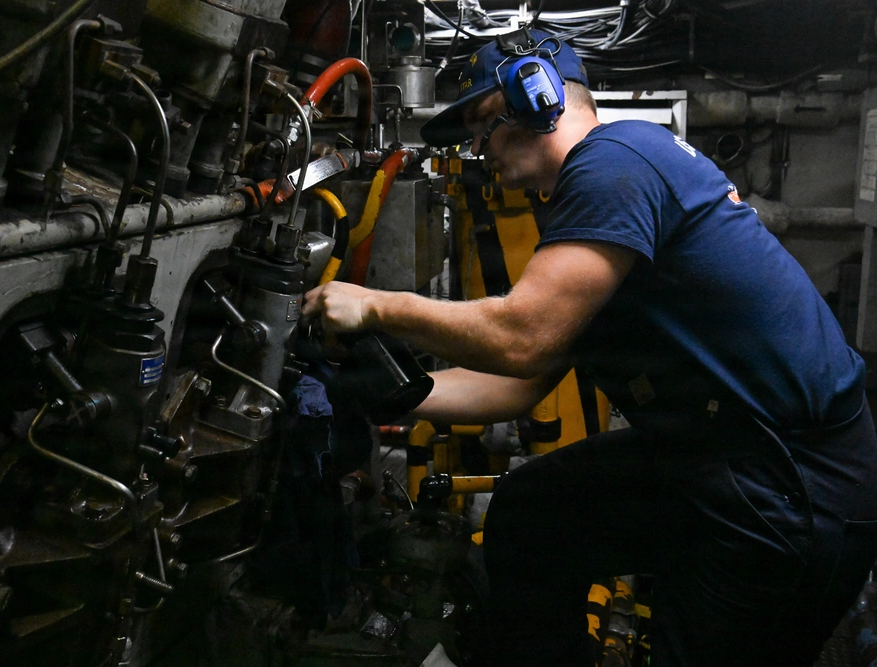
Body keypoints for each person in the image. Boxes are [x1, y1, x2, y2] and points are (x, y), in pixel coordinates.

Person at [301, 27, 877, 666]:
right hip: (711, 453)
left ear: (536, 95)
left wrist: (375, 304)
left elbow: (523, 338)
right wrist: (384, 397)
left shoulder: (615, 162)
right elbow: (526, 380)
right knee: (536, 514)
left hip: (792, 480)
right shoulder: (584, 197)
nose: (476, 151)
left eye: (481, 126)